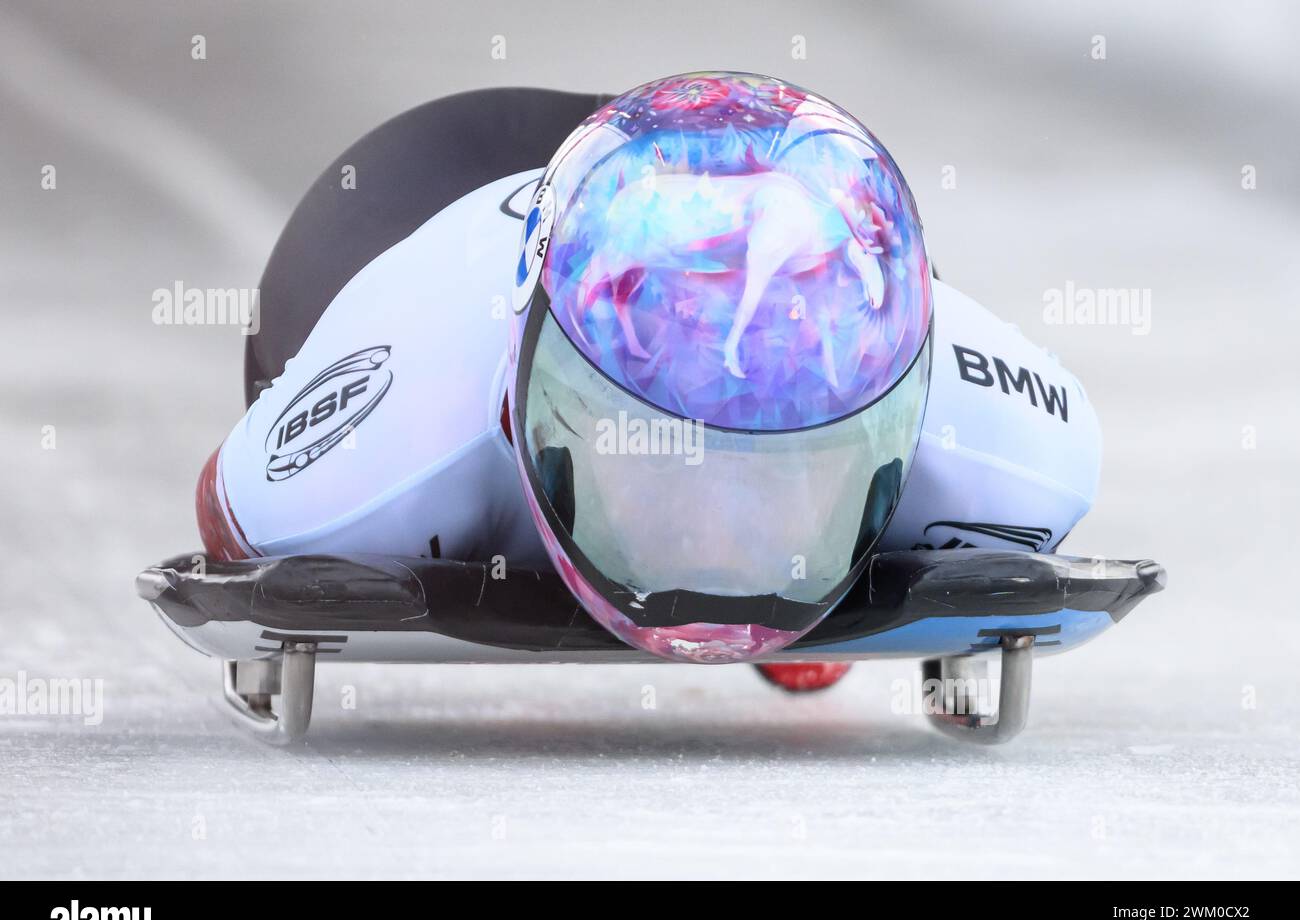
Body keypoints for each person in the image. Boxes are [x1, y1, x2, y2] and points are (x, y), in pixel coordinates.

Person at [198, 74, 1101, 689]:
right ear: (523, 404)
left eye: (791, 478)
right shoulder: (382, 450)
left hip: (694, 193)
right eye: (664, 468)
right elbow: (234, 512)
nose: (719, 556)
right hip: (414, 203)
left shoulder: (1017, 442)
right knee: (287, 359)